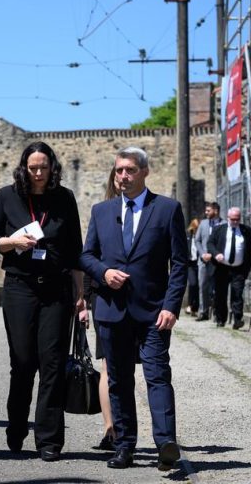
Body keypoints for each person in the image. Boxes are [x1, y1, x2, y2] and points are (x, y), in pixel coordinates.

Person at [79, 146, 185, 472]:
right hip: (111, 311)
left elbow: (180, 263)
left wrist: (172, 306)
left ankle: (166, 443)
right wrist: (104, 273)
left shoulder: (167, 210)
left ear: (144, 172)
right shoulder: (101, 211)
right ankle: (124, 446)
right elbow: (86, 256)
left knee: (157, 376)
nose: (123, 176)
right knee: (119, 381)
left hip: (153, 313)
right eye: (119, 170)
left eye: (130, 170)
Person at [0, 141, 84, 462]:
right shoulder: (7, 196)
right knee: (23, 362)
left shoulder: (64, 198)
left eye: (43, 167)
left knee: (53, 364)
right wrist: (12, 241)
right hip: (19, 288)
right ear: (23, 168)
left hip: (56, 290)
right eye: (33, 168)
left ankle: (49, 440)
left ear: (52, 167)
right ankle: (16, 427)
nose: (39, 173)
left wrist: (81, 296)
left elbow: (75, 251)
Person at [87, 165, 119, 452]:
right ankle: (111, 428)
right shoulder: (102, 213)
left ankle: (127, 427)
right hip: (105, 299)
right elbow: (88, 257)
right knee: (108, 366)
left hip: (139, 301)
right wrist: (84, 302)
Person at [207, 207, 251, 329]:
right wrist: (216, 253)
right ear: (228, 218)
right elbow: (210, 244)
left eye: (237, 219)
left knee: (237, 294)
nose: (235, 222)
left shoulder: (245, 230)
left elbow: (250, 251)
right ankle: (221, 318)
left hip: (238, 269)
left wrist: (246, 270)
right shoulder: (219, 230)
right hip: (222, 268)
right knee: (221, 294)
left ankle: (238, 319)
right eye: (233, 219)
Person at [194, 202, 222, 322]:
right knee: (203, 286)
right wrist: (202, 254)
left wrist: (215, 254)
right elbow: (197, 240)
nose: (206, 213)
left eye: (208, 210)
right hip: (203, 260)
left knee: (217, 288)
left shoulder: (223, 224)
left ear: (215, 211)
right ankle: (203, 311)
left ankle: (217, 312)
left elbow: (224, 242)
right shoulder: (203, 224)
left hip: (217, 261)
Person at [185, 218, 201, 316]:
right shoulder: (188, 236)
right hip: (190, 263)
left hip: (199, 262)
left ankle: (196, 307)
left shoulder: (201, 237)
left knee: (199, 285)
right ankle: (190, 304)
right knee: (193, 284)